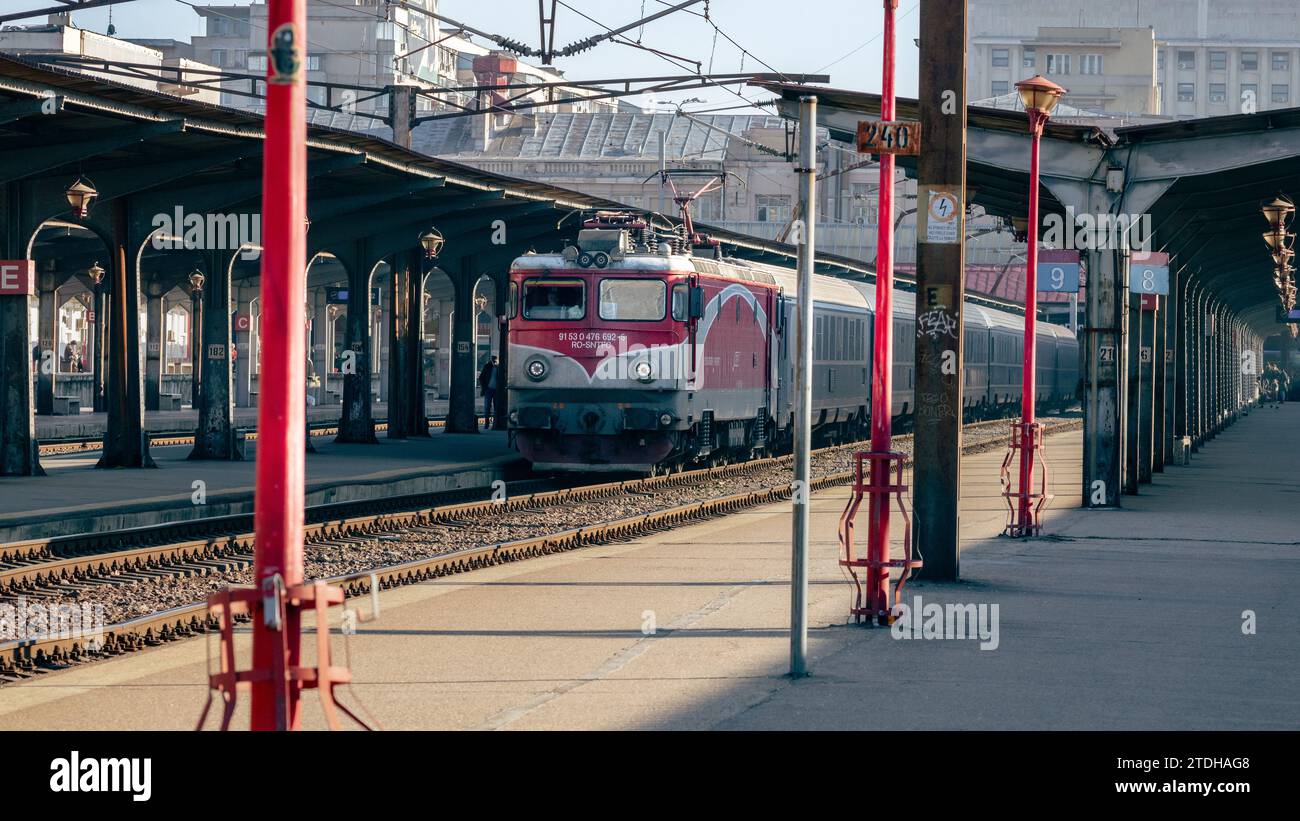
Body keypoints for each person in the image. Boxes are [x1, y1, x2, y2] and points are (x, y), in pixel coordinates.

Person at [478, 355, 498, 429]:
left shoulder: (499, 368)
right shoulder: (487, 367)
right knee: (487, 407)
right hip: (488, 389)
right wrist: (484, 387)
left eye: (495, 360)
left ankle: (495, 424)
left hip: (496, 391)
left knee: (496, 407)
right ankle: (486, 424)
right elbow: (481, 377)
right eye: (493, 360)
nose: (494, 362)